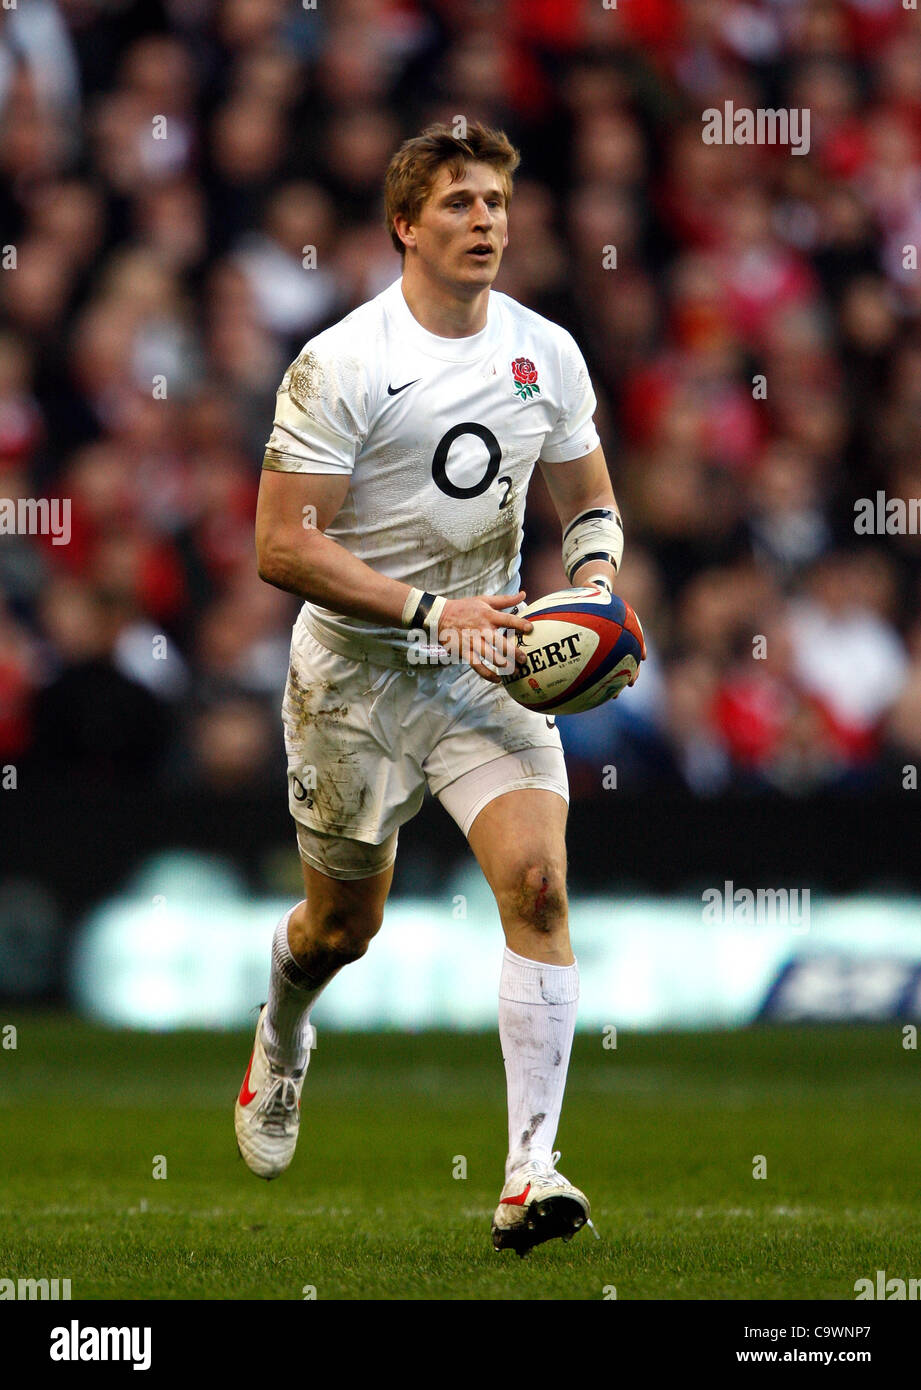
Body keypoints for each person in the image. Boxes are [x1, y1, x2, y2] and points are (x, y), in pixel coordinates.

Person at [235, 122, 628, 1256]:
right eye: (458, 203)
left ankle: (529, 1173)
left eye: (497, 202)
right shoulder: (342, 360)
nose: (485, 222)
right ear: (405, 223)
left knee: (540, 884)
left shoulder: (546, 350)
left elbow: (590, 505)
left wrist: (592, 593)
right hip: (356, 679)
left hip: (491, 668)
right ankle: (283, 1030)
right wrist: (425, 612)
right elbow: (281, 545)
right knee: (341, 929)